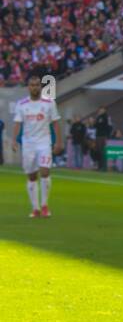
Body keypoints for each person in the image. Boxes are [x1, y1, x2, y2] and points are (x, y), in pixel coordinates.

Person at [12, 72, 63, 217]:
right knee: (32, 176)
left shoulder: (49, 103)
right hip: (28, 144)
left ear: (41, 87)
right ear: (28, 87)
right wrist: (15, 140)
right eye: (32, 85)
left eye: (37, 85)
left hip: (44, 143)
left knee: (45, 172)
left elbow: (55, 123)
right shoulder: (21, 104)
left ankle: (45, 205)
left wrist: (58, 141)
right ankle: (35, 208)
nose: (34, 88)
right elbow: (17, 123)